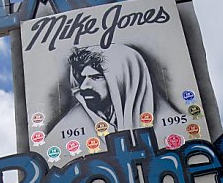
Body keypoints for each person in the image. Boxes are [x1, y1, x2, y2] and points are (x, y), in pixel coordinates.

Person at [45, 44, 180, 142]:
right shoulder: (71, 125)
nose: (84, 86)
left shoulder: (172, 124)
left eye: (96, 77)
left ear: (124, 80)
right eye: (82, 78)